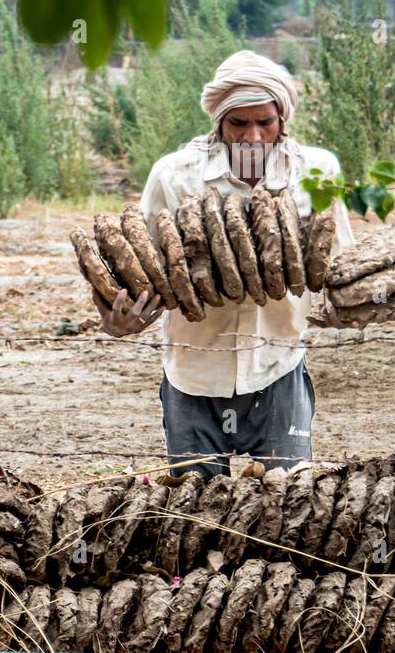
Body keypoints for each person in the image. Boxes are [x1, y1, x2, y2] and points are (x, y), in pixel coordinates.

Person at [92, 50, 358, 478]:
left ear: (282, 120)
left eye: (264, 123)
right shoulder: (175, 175)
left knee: (288, 502)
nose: (252, 137)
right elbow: (141, 267)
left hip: (277, 364)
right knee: (195, 508)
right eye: (239, 123)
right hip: (193, 371)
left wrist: (349, 307)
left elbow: (340, 259)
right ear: (218, 122)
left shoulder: (317, 171)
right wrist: (118, 318)